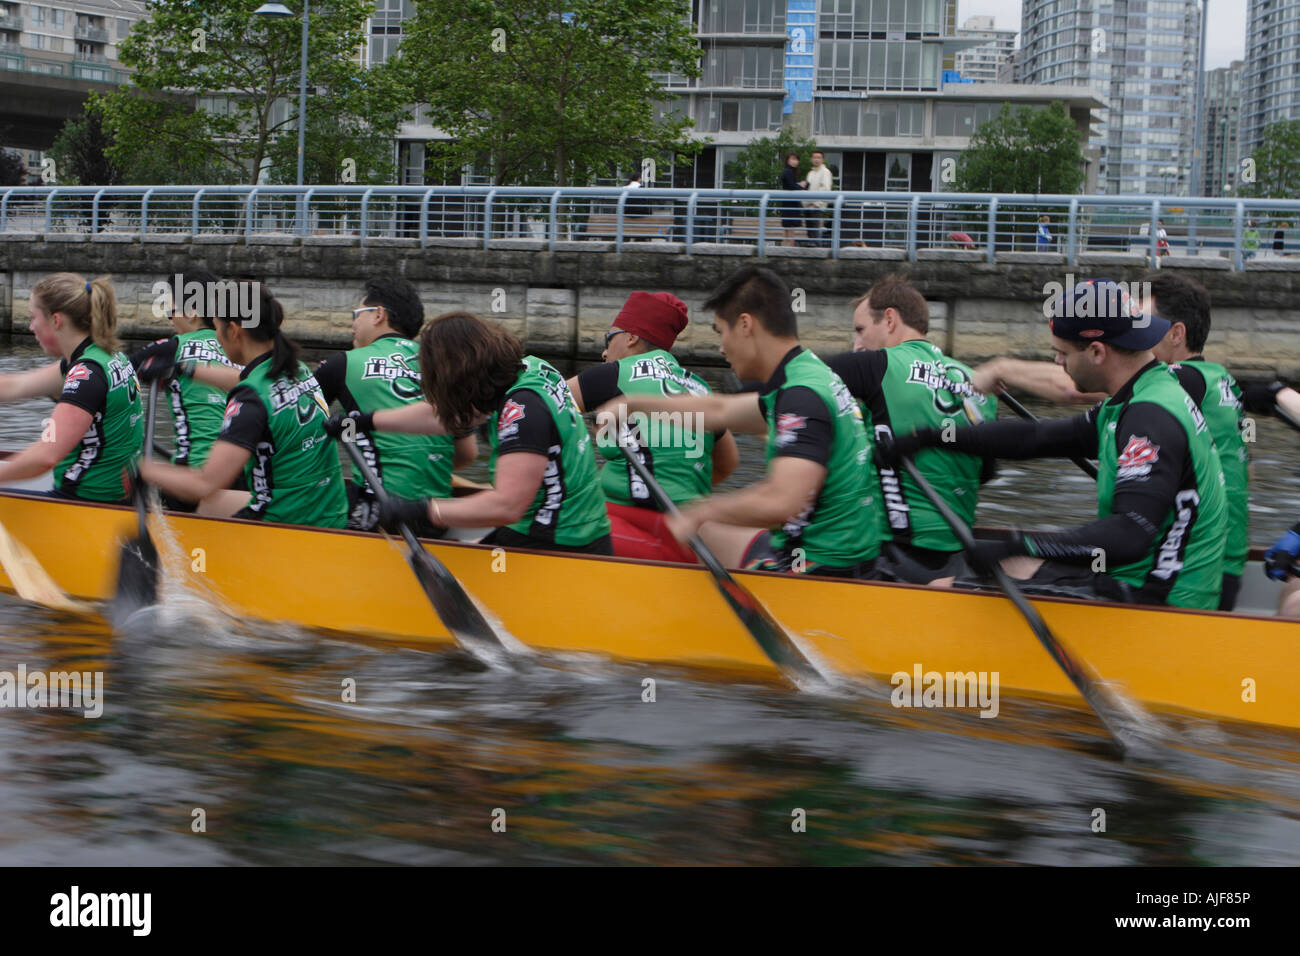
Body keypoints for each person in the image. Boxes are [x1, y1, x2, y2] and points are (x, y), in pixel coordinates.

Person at [879, 279, 1228, 611]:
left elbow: (1130, 532)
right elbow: (1037, 437)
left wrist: (1023, 542)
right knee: (1015, 563)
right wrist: (933, 437)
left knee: (941, 591)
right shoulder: (1141, 393)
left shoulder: (1148, 418)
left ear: (1096, 351)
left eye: (1061, 353)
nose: (1057, 364)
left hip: (1156, 599)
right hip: (1143, 576)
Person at [598, 266, 884, 578]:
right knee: (702, 531)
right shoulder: (808, 374)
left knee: (693, 527)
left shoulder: (801, 396)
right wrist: (633, 403)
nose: (721, 348)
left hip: (818, 568)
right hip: (842, 555)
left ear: (746, 325)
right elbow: (720, 409)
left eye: (722, 332)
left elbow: (783, 500)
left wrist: (702, 511)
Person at [354, 313, 613, 554]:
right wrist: (367, 421)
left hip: (557, 542)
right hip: (570, 527)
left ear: (458, 375)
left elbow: (507, 506)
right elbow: (446, 416)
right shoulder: (530, 369)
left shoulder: (521, 411)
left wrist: (424, 510)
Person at [823, 277, 997, 583]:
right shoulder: (977, 382)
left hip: (893, 557)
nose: (858, 344)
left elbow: (797, 378)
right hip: (955, 557)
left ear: (890, 320)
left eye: (861, 330)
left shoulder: (881, 366)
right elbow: (986, 472)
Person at [139, 285, 348, 528]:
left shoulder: (249, 400)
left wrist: (141, 469)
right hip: (330, 511)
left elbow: (203, 484)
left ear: (235, 331)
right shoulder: (296, 369)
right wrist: (185, 369)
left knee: (192, 501)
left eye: (217, 328)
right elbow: (248, 382)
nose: (217, 337)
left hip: (288, 522)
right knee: (209, 503)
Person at [565, 291, 738, 562]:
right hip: (688, 532)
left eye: (608, 339)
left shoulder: (615, 373)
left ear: (631, 338)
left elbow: (540, 406)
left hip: (633, 524)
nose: (604, 352)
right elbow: (728, 463)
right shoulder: (700, 388)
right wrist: (676, 485)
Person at [312, 277, 476, 535]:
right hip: (434, 512)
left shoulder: (342, 364)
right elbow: (467, 453)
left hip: (381, 511)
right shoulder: (443, 365)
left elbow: (294, 422)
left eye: (356, 314)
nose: (353, 324)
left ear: (378, 314)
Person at [1139, 275, 1250, 610]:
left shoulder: (1178, 379)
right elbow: (1247, 470)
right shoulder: (1222, 380)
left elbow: (1081, 387)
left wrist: (1004, 371)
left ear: (1177, 334)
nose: (1134, 335)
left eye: (1143, 324)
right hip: (1229, 555)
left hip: (1199, 564)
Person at [0, 273, 142, 501]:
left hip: (87, 502)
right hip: (117, 496)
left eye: (33, 317)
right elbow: (15, 386)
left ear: (56, 320)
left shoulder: (86, 376)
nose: (30, 327)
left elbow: (46, 455)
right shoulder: (104, 356)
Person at [128, 270, 237, 511]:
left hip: (195, 479)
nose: (169, 319)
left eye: (171, 311)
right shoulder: (238, 348)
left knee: (126, 475)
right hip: (242, 475)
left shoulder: (172, 348)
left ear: (192, 313)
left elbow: (114, 373)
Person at [803, 150, 834, 245]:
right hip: (808, 205)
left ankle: (815, 246)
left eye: (819, 157)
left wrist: (818, 203)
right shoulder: (810, 173)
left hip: (817, 206)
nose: (816, 160)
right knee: (810, 229)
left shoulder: (825, 172)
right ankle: (811, 246)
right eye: (814, 157)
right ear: (811, 159)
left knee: (815, 229)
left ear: (822, 160)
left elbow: (826, 188)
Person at [779, 153, 807, 247]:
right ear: (788, 160)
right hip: (789, 203)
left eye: (796, 159)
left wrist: (798, 185)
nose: (794, 161)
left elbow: (790, 185)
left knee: (788, 226)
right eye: (792, 159)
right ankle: (789, 246)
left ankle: (786, 245)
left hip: (788, 203)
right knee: (790, 226)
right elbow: (791, 186)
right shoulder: (788, 171)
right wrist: (801, 185)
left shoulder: (789, 171)